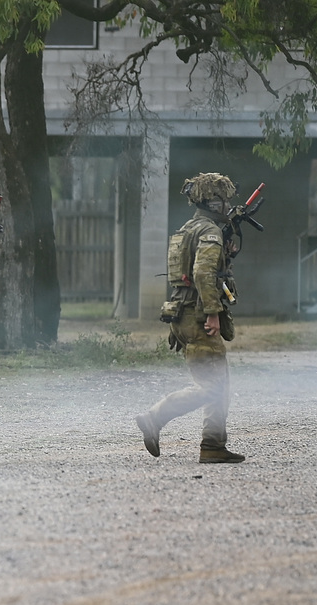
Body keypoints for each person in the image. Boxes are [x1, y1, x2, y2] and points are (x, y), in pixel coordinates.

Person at [136, 172, 245, 464]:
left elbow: (190, 272)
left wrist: (227, 257)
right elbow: (202, 273)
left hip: (181, 314)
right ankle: (153, 419)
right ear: (213, 202)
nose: (227, 207)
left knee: (219, 382)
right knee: (211, 386)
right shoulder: (209, 232)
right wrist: (212, 313)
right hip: (198, 317)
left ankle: (213, 446)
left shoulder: (187, 230)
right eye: (223, 201)